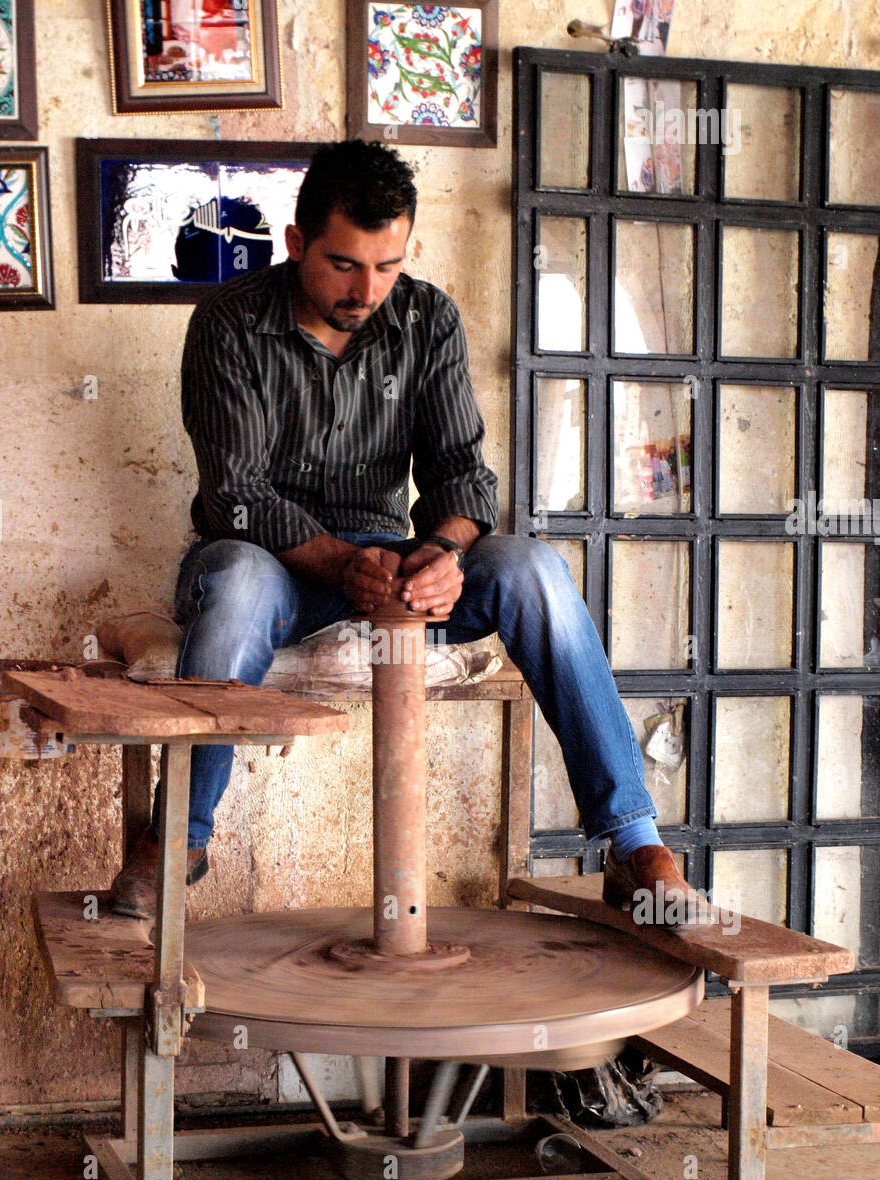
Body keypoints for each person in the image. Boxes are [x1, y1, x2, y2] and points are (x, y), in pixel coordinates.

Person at [110, 139, 712, 928]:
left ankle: (634, 847)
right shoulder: (230, 324)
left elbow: (464, 477)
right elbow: (237, 497)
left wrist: (444, 554)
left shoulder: (426, 319)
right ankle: (179, 841)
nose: (367, 291)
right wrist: (337, 560)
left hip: (388, 561)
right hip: (267, 562)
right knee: (239, 580)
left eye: (387, 266)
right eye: (344, 265)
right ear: (295, 245)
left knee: (530, 568)